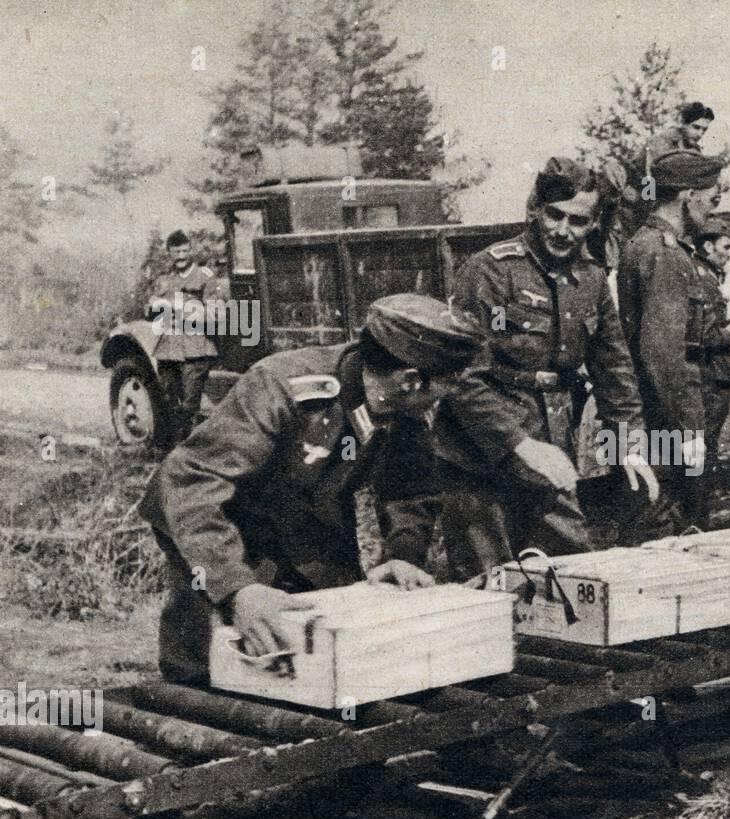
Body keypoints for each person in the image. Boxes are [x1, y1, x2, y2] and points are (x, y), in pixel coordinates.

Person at [138, 293, 482, 686]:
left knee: (330, 650)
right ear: (410, 380)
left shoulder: (403, 406)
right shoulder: (283, 385)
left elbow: (410, 490)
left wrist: (403, 554)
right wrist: (238, 589)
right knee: (214, 658)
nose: (453, 391)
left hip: (307, 517)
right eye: (450, 381)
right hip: (214, 520)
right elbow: (189, 481)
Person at [433, 157, 656, 581]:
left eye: (577, 220)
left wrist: (628, 443)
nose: (562, 230)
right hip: (481, 459)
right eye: (554, 214)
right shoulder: (490, 270)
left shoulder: (591, 279)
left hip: (551, 450)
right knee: (490, 585)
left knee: (574, 575)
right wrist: (518, 442)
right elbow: (462, 375)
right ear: (534, 208)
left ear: (592, 224)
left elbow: (614, 370)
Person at [617, 149, 726, 538]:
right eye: (712, 199)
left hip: (654, 419)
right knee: (670, 531)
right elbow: (662, 357)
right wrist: (691, 432)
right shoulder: (664, 253)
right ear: (686, 195)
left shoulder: (654, 246)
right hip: (664, 423)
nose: (713, 211)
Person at [682, 217, 730, 528]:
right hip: (708, 378)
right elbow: (705, 337)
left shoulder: (701, 273)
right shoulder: (703, 277)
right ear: (708, 246)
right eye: (726, 247)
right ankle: (697, 520)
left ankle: (696, 516)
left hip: (706, 376)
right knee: (703, 452)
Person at [148, 230, 219, 443]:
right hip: (168, 350)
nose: (181, 256)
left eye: (185, 250)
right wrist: (153, 306)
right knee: (167, 403)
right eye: (176, 251)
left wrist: (179, 309)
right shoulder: (164, 280)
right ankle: (171, 452)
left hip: (195, 350)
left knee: (189, 408)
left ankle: (188, 453)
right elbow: (152, 312)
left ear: (191, 251)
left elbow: (215, 313)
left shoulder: (205, 278)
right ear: (169, 253)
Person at [644, 101, 715, 163]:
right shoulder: (662, 139)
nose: (700, 134)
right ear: (683, 123)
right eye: (696, 127)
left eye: (704, 130)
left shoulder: (694, 148)